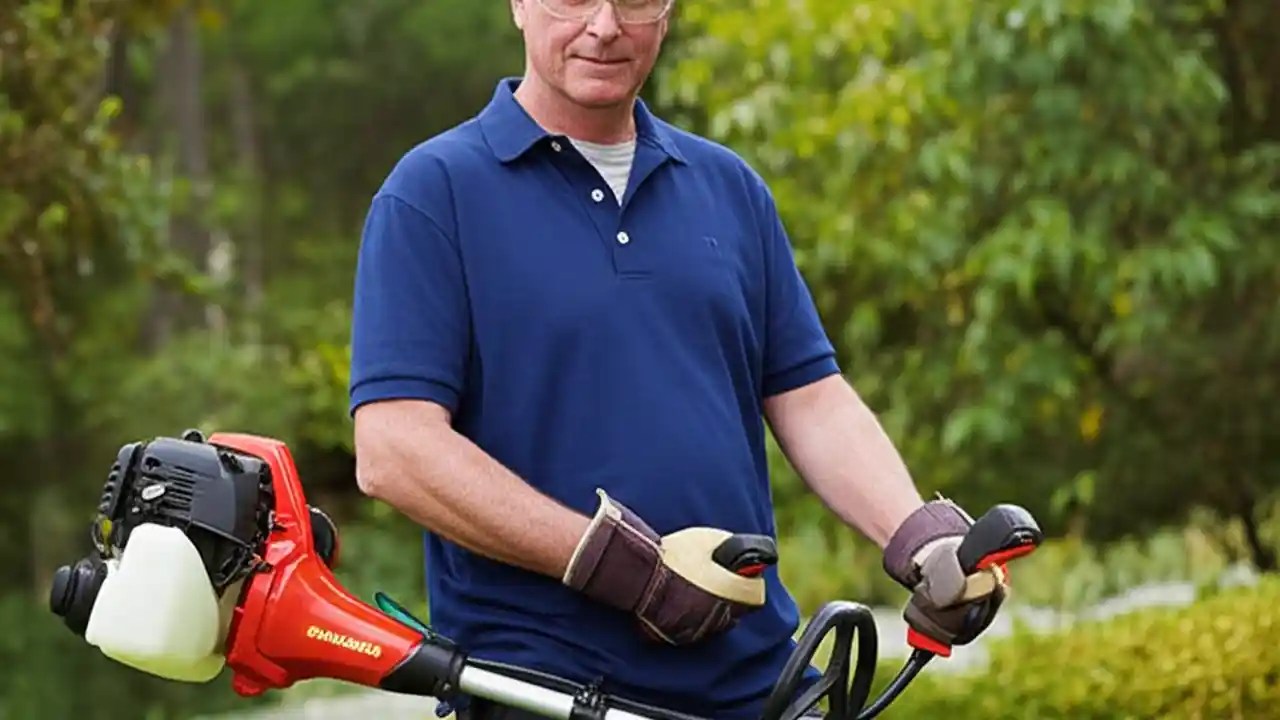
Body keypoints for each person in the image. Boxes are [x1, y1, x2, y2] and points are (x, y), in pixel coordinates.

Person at [347, 1, 1006, 718]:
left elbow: (812, 400)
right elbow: (395, 450)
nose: (605, 25)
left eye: (634, 0)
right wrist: (621, 569)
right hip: (544, 691)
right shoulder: (435, 192)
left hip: (758, 685)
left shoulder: (727, 188)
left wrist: (920, 541)